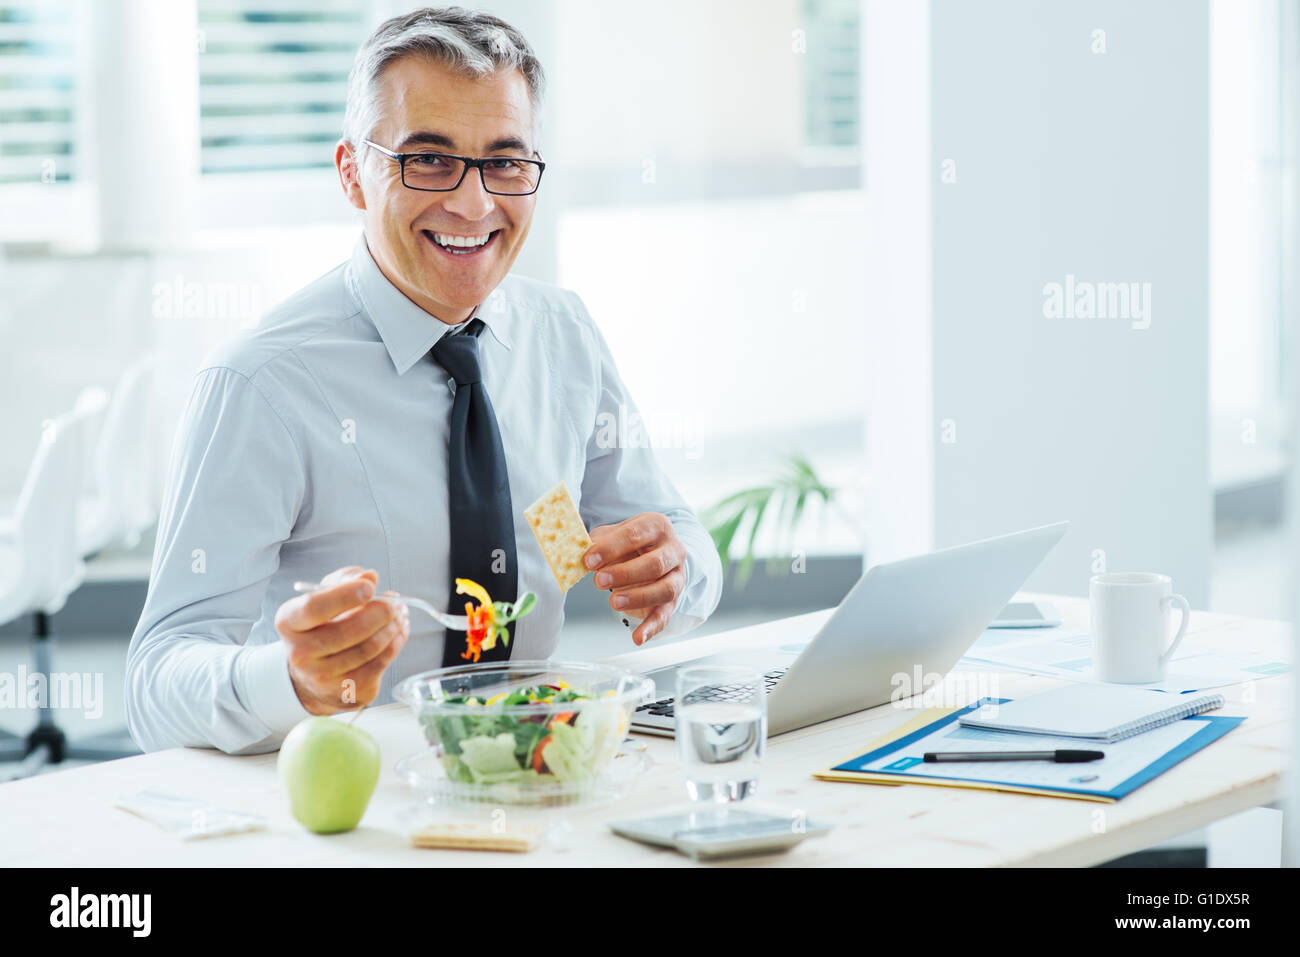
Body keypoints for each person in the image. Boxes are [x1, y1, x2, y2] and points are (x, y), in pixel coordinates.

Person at [126, 7, 722, 754]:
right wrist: (291, 679)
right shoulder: (260, 384)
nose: (474, 203)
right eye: (429, 160)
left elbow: (678, 532)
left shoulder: (564, 337)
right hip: (359, 811)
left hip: (543, 784)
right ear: (353, 174)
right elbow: (154, 682)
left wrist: (678, 570)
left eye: (505, 162)